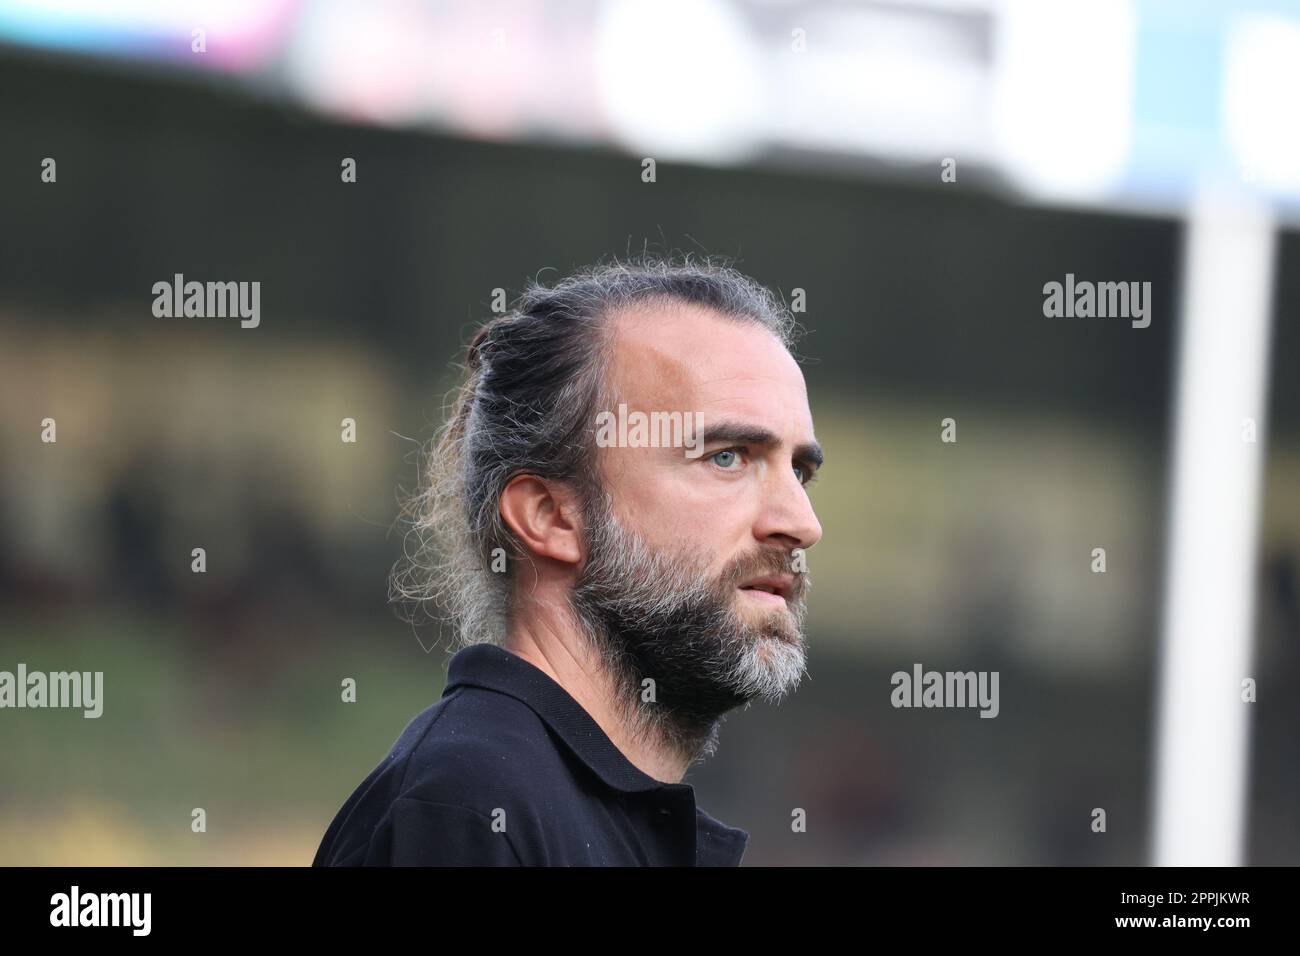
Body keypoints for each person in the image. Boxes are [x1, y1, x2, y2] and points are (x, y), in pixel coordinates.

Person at [313, 256, 824, 866]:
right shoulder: (465, 812)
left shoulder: (567, 817)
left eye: (799, 470)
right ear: (550, 516)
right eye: (727, 456)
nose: (802, 524)